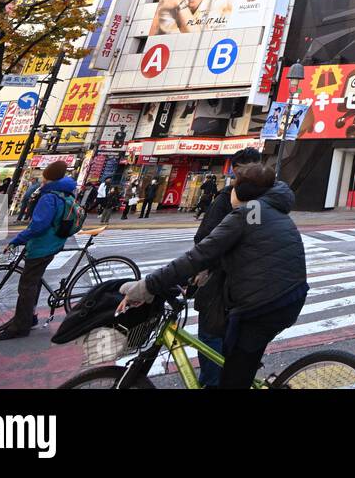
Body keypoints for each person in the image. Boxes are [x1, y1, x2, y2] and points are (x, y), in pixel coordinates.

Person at [121, 162, 307, 388]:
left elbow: (197, 256)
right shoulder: (266, 211)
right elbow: (232, 249)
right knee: (235, 355)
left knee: (232, 379)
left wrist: (147, 286)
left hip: (266, 306)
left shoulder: (248, 214)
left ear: (241, 192)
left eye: (233, 186)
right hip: (287, 296)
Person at [188, 148, 260, 387]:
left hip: (223, 283)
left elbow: (204, 241)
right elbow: (253, 239)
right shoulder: (261, 201)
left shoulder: (232, 198)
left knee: (211, 336)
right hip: (251, 285)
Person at [0, 161, 77, 341]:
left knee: (27, 285)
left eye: (43, 176)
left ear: (48, 177)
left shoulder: (49, 197)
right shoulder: (65, 193)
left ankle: (20, 326)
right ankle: (29, 316)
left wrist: (17, 241)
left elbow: (38, 226)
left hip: (42, 245)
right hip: (53, 243)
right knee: (34, 280)